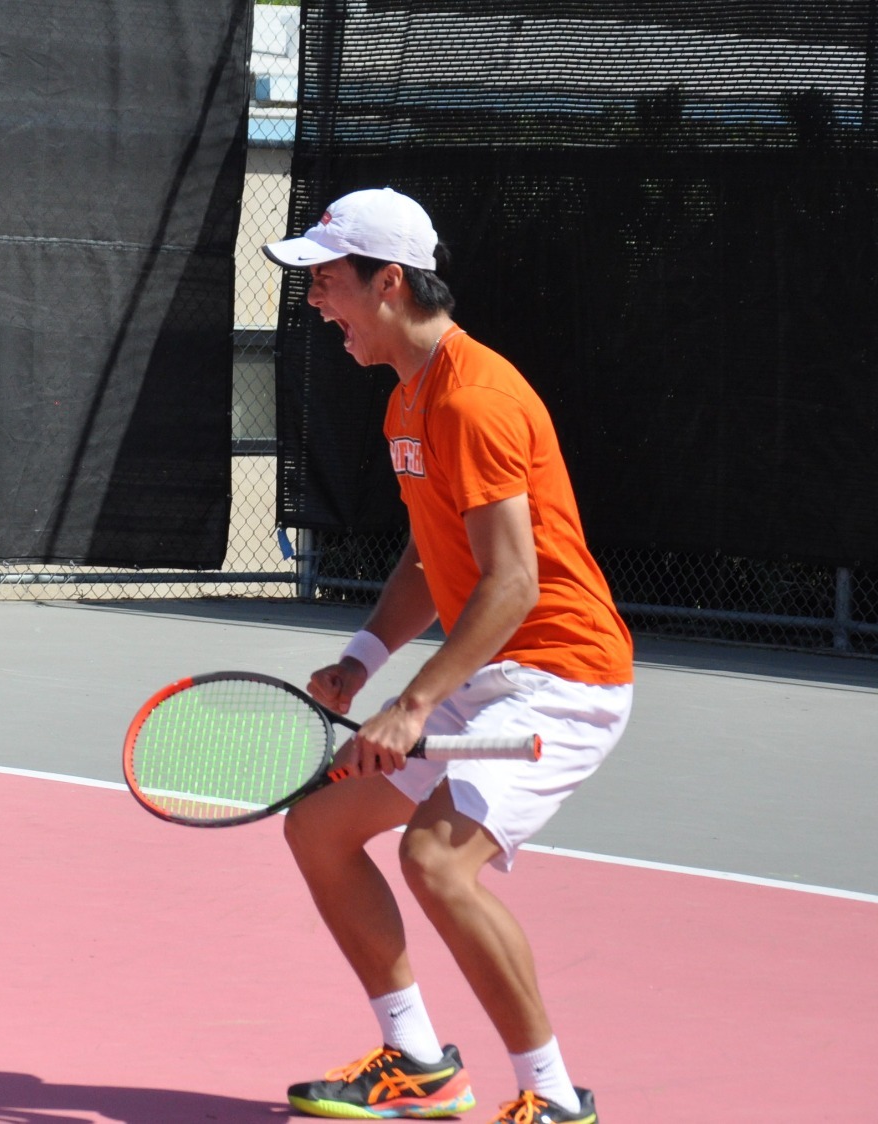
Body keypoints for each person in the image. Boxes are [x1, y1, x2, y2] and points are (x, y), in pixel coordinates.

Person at [260, 188, 632, 1124]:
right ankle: (420, 1066)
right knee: (320, 827)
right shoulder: (407, 401)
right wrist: (363, 658)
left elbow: (511, 584)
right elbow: (437, 557)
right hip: (484, 675)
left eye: (326, 280)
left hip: (560, 679)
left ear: (389, 283)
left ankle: (554, 1101)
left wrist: (414, 704)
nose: (314, 299)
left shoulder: (474, 399)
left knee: (434, 860)